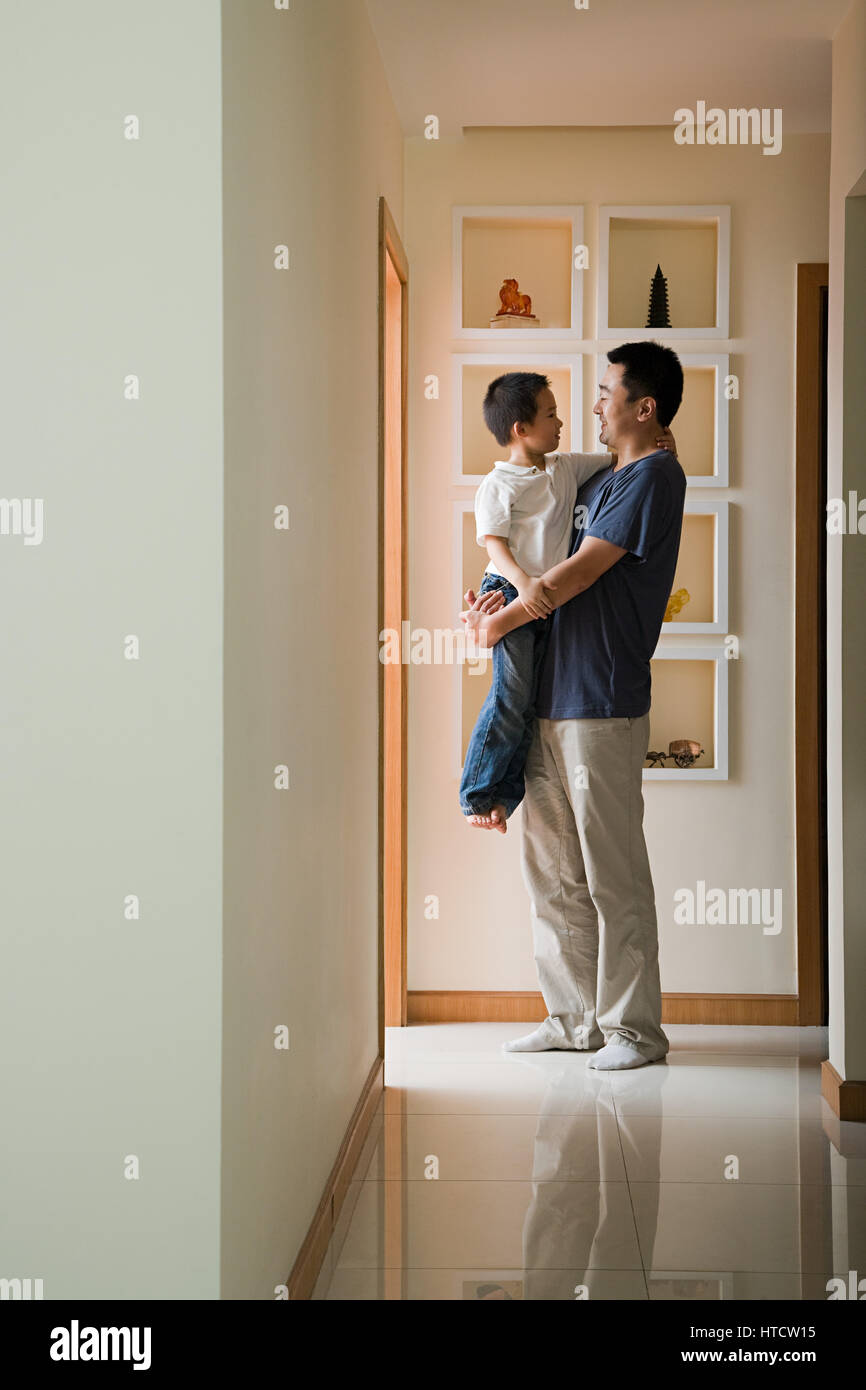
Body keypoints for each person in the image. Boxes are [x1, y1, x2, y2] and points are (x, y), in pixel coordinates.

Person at [462, 342, 686, 1071]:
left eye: (605, 392)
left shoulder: (653, 477)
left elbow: (579, 572)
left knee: (611, 871)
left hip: (603, 700)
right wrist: (495, 606)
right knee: (554, 873)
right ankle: (573, 1017)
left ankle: (633, 1030)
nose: (594, 405)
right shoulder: (604, 476)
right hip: (550, 699)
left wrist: (500, 620)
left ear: (642, 407)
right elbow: (529, 549)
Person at [460, 371, 676, 831]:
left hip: (538, 601)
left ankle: (504, 797)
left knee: (525, 701)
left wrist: (662, 442)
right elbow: (494, 544)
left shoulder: (564, 468)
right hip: (509, 589)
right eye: (551, 414)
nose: (562, 423)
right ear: (521, 429)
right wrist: (522, 588)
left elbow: (618, 457)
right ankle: (478, 794)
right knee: (510, 695)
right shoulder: (497, 485)